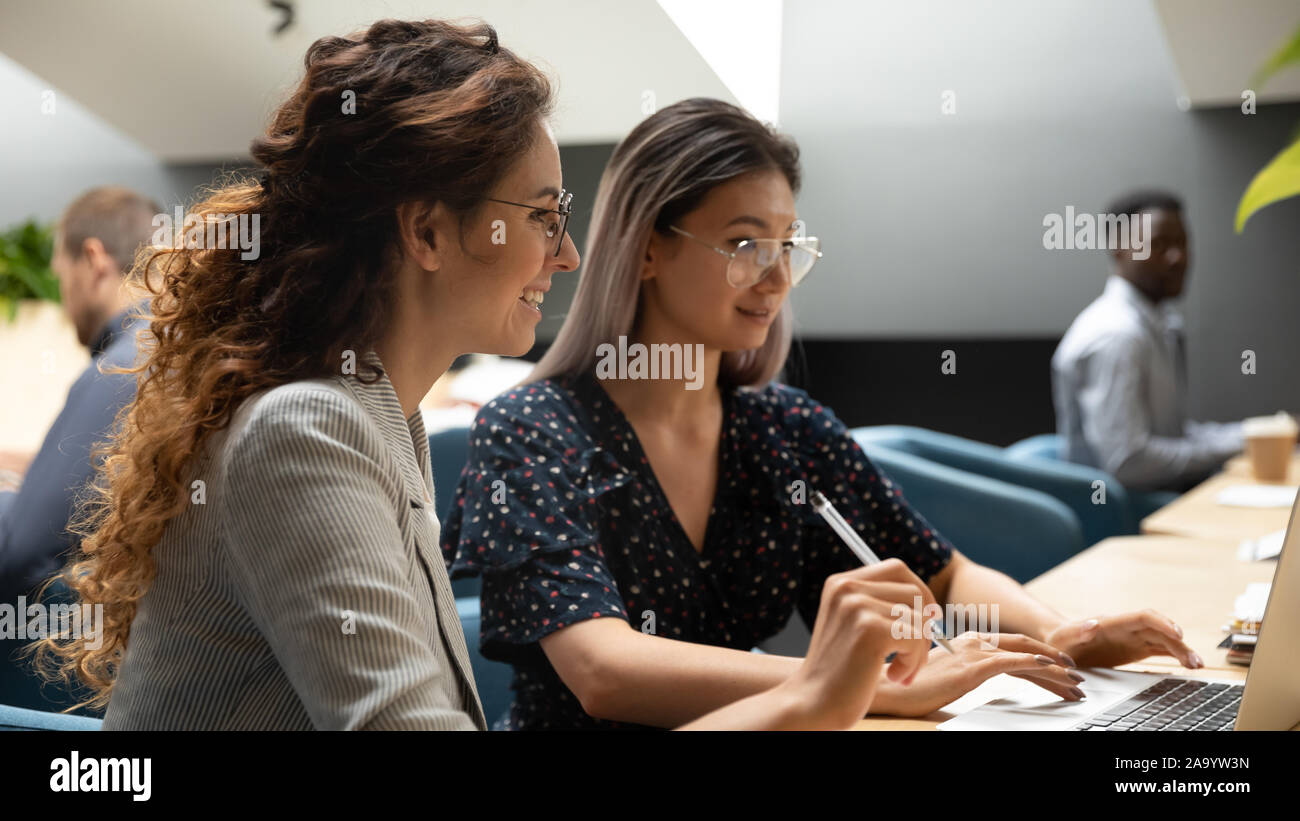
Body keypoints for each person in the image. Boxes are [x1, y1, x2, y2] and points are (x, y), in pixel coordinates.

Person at [34, 19, 940, 731]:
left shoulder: (382, 417)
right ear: (427, 231)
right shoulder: (304, 431)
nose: (570, 252)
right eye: (544, 215)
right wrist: (808, 698)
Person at [440, 99, 1204, 731]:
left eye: (788, 246)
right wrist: (853, 681)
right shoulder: (532, 429)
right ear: (646, 248)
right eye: (745, 244)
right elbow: (604, 672)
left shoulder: (785, 427)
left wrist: (1055, 630)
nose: (776, 280)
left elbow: (945, 573)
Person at [0, 186, 156, 603]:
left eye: (61, 275)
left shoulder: (122, 365)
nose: (65, 298)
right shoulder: (169, 346)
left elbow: (19, 554)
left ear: (93, 259)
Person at [1052, 190, 1243, 493]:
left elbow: (1172, 435)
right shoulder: (1117, 335)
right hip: (1128, 514)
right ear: (1118, 249)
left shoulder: (1157, 324)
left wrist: (1255, 436)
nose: (1177, 257)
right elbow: (1128, 462)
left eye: (1182, 243)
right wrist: (1232, 449)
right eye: (1158, 244)